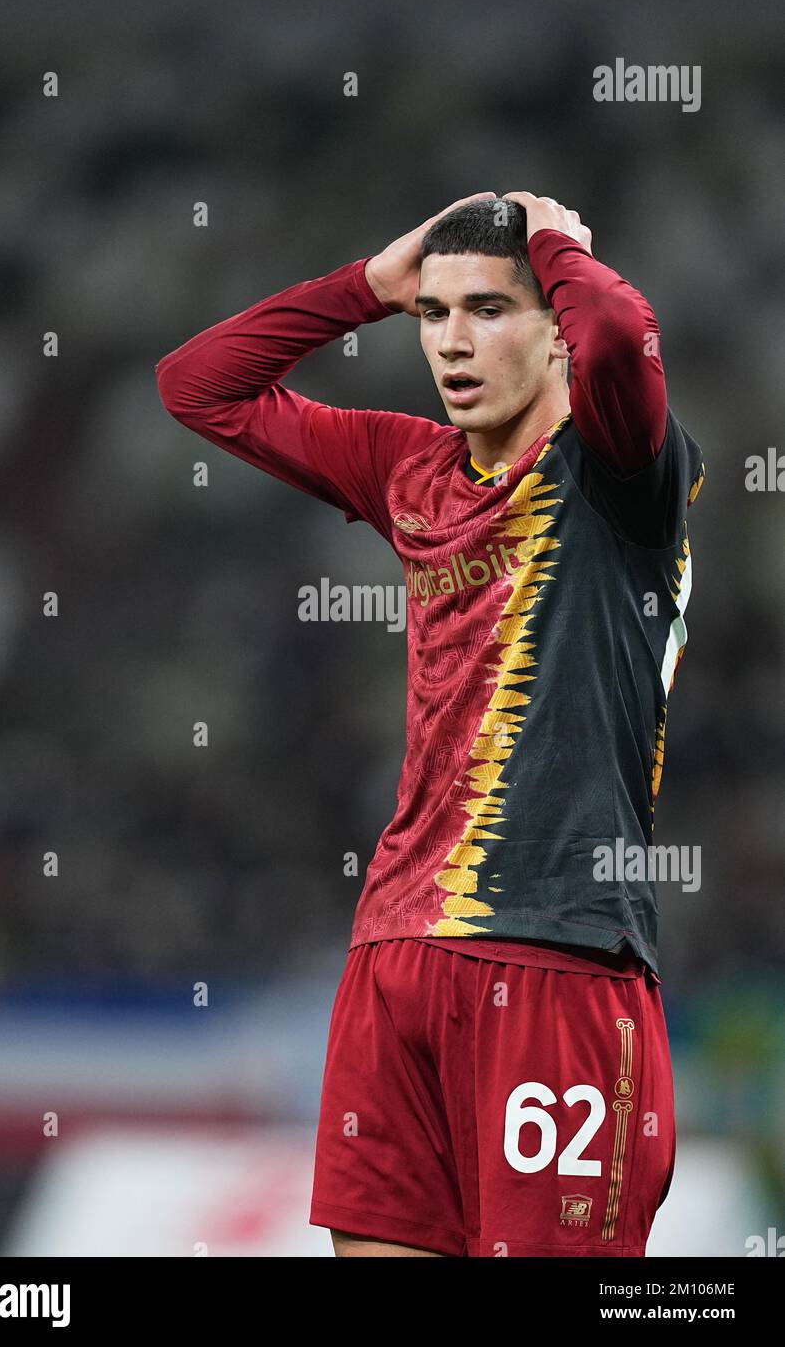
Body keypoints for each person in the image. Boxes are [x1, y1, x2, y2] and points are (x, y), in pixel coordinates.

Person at [155, 190, 704, 1257]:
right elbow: (199, 388)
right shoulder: (405, 468)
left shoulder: (621, 474)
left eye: (489, 310)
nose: (451, 341)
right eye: (434, 314)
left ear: (554, 336)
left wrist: (556, 245)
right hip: (393, 955)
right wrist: (366, 285)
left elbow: (619, 336)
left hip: (558, 954)